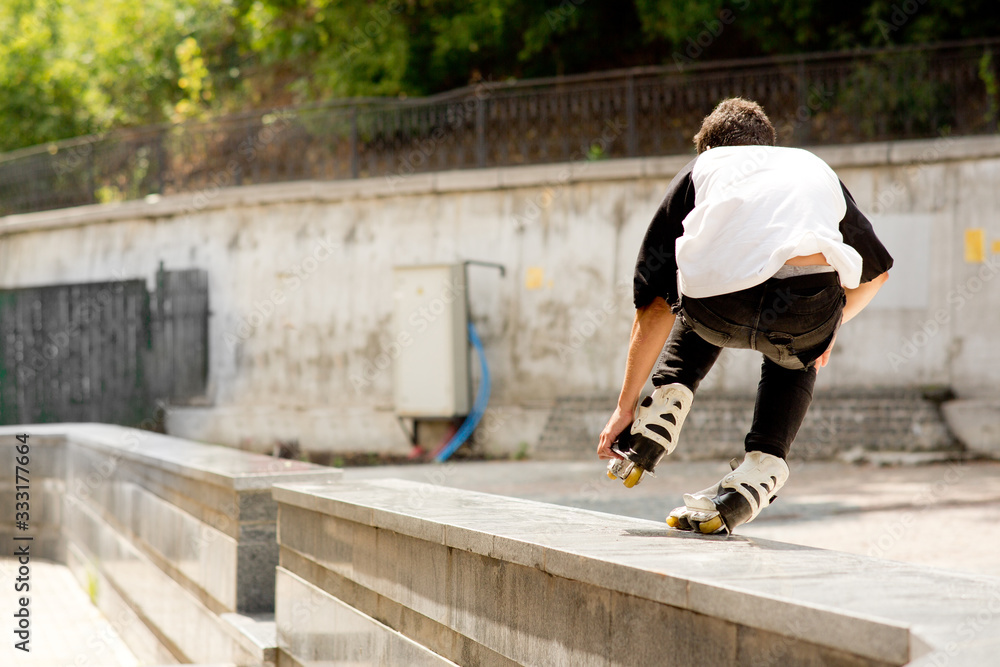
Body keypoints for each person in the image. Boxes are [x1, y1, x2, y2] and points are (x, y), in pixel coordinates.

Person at [597, 97, 893, 535]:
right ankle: (763, 464)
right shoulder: (812, 168)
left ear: (708, 149)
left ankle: (665, 405)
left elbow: (654, 305)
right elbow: (879, 273)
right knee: (797, 353)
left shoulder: (704, 169)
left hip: (718, 307)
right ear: (768, 145)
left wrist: (625, 407)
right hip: (804, 307)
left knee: (693, 287)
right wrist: (829, 328)